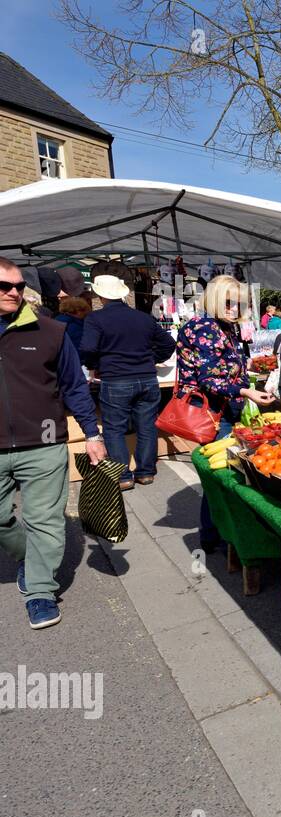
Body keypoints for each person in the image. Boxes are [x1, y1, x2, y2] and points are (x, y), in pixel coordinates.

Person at [0, 256, 107, 629]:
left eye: (17, 286)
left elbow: (74, 386)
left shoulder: (50, 332)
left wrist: (92, 434)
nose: (14, 292)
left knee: (45, 520)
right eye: (4, 286)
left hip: (44, 442)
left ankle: (41, 592)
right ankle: (30, 558)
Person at [176, 274, 275, 550]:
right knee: (221, 476)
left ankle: (218, 533)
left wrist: (250, 370)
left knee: (224, 474)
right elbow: (210, 379)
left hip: (226, 409)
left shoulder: (223, 327)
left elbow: (228, 367)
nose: (235, 309)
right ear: (216, 301)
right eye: (230, 303)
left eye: (240, 304)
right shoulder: (204, 328)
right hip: (213, 413)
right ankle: (214, 536)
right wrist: (246, 391)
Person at [80, 274, 178, 490]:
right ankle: (145, 472)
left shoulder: (95, 319)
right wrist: (152, 359)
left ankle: (123, 476)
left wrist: (96, 363)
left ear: (99, 294)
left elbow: (87, 349)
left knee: (114, 428)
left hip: (116, 379)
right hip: (146, 378)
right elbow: (168, 344)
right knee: (146, 425)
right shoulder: (142, 318)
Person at [56, 295, 91, 360]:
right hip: (76, 362)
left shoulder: (57, 321)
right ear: (78, 311)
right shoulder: (75, 326)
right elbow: (81, 349)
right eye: (84, 310)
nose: (87, 313)